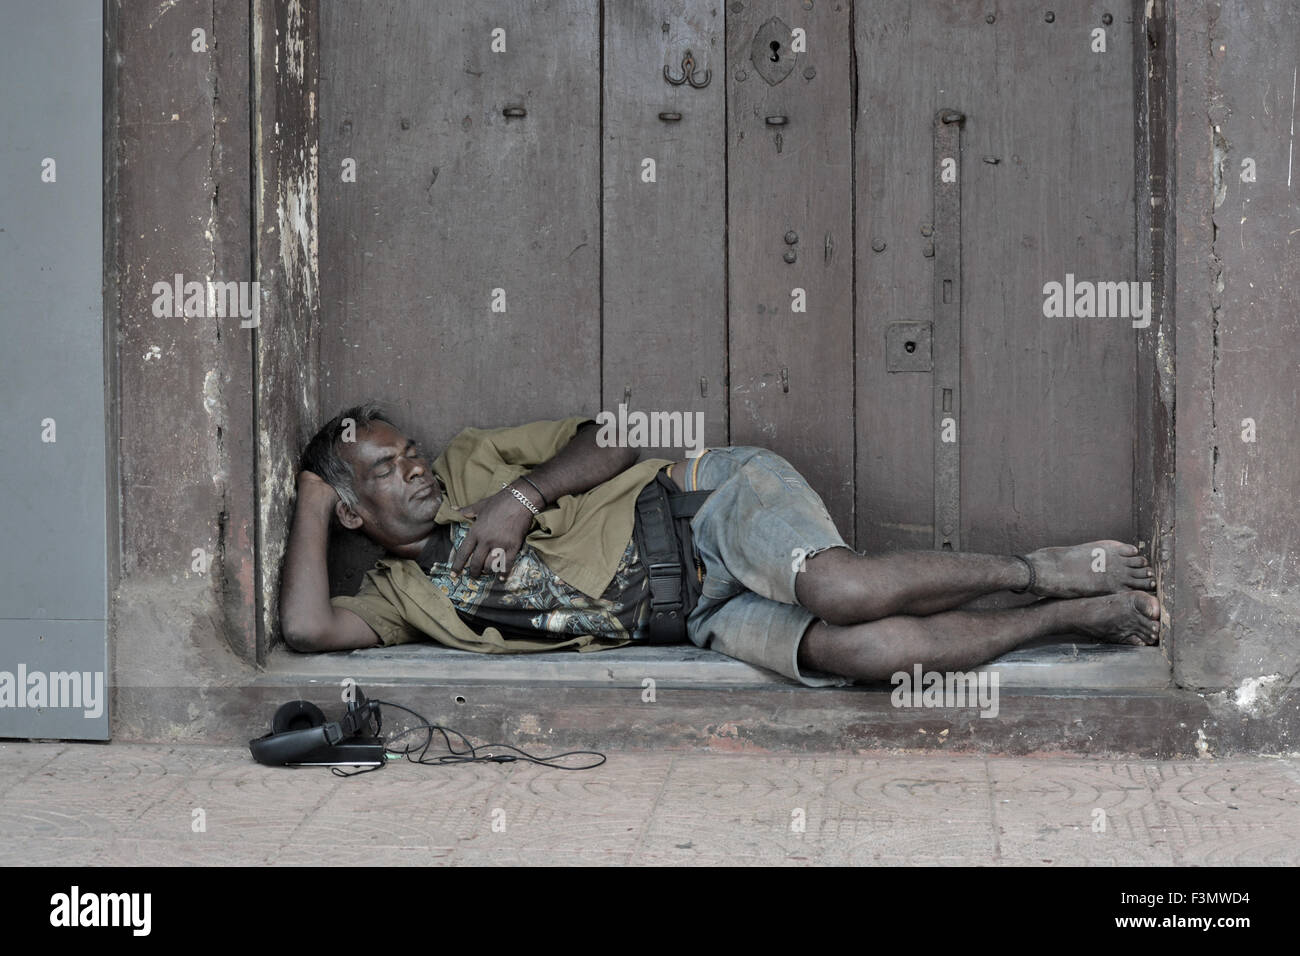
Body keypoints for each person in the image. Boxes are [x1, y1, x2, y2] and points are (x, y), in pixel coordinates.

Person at [280, 402, 1163, 686]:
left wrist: (523, 493)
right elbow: (309, 630)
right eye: (390, 471)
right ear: (354, 512)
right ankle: (1068, 617)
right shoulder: (401, 601)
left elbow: (622, 431)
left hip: (704, 508)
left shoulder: (477, 467)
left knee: (839, 592)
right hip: (697, 616)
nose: (419, 470)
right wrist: (313, 498)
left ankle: (1035, 568)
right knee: (869, 653)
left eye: (411, 454)